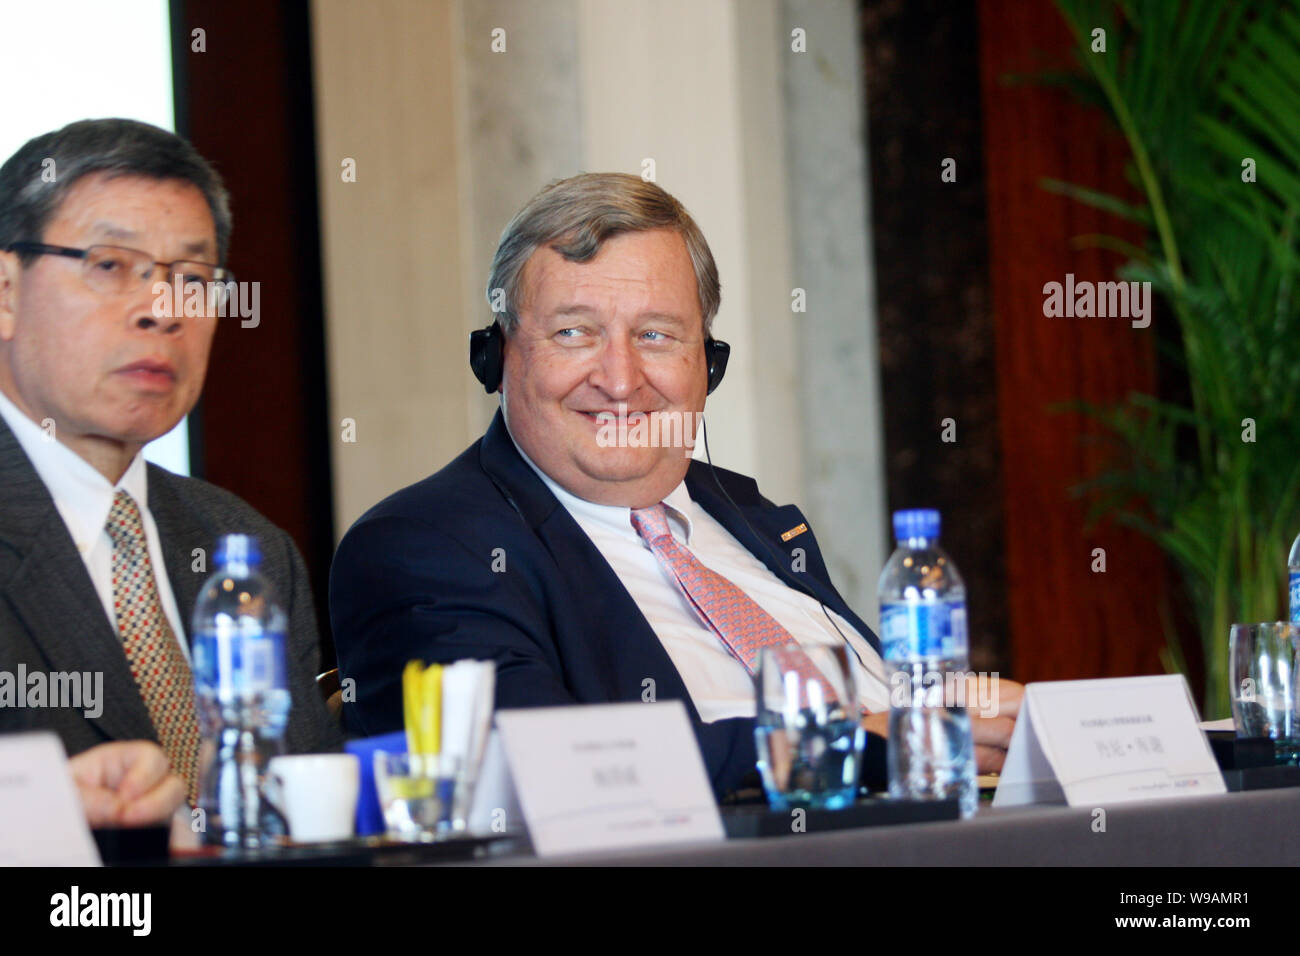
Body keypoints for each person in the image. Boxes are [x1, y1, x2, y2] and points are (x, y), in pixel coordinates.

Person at [330, 172, 1020, 798]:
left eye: (657, 336)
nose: (621, 380)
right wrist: (857, 744)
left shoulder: (754, 516)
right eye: (574, 332)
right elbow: (535, 774)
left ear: (708, 368)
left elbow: (897, 715)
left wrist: (990, 724)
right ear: (497, 356)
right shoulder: (423, 548)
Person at [0, 119, 340, 804]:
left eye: (191, 278)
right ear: (6, 291)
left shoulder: (247, 549)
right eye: (109, 266)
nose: (162, 309)